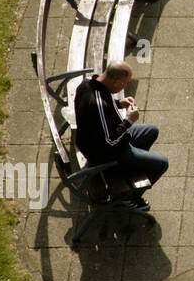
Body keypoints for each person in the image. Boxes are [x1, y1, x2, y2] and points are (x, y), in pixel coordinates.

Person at [72, 60, 168, 211]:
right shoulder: (97, 105)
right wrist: (128, 121)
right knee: (162, 163)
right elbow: (109, 143)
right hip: (107, 154)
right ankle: (130, 199)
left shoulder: (88, 85)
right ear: (116, 82)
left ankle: (128, 169)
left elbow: (103, 108)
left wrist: (119, 103)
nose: (125, 86)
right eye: (125, 83)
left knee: (151, 130)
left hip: (110, 140)